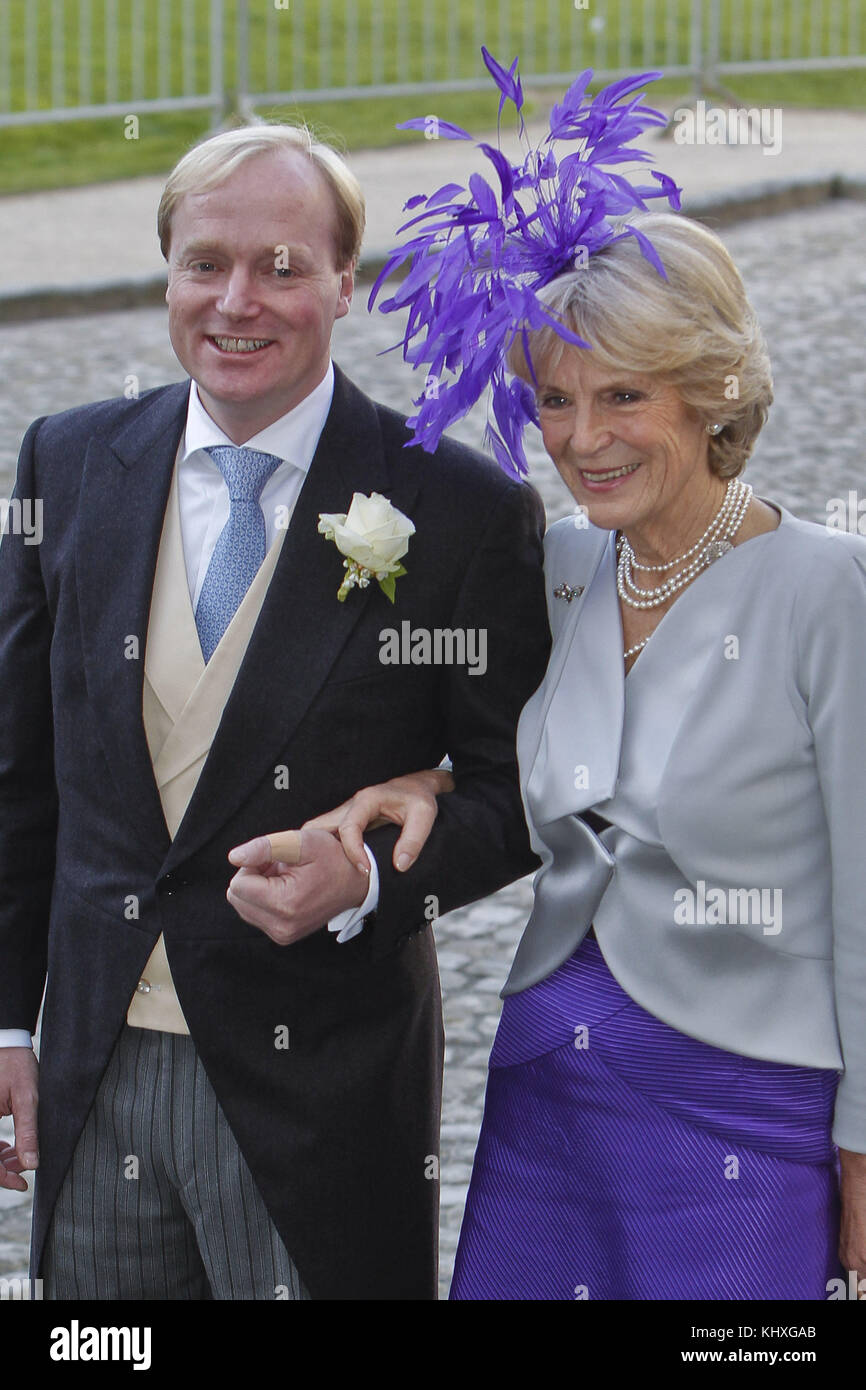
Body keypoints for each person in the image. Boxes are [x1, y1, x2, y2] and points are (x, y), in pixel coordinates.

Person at [0, 122, 551, 1301]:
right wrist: (6, 1026)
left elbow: (519, 798)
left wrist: (367, 883)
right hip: (99, 1079)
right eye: (205, 263)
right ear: (168, 274)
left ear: (347, 283)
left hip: (320, 1095)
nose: (236, 301)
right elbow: (20, 774)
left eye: (283, 267)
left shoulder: (456, 508)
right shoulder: (67, 462)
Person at [312, 210, 866, 1300]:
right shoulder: (559, 567)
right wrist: (425, 777)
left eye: (622, 396)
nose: (579, 437)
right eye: (553, 400)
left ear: (707, 394)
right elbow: (511, 751)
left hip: (745, 1111)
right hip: (548, 1088)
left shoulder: (825, 589)